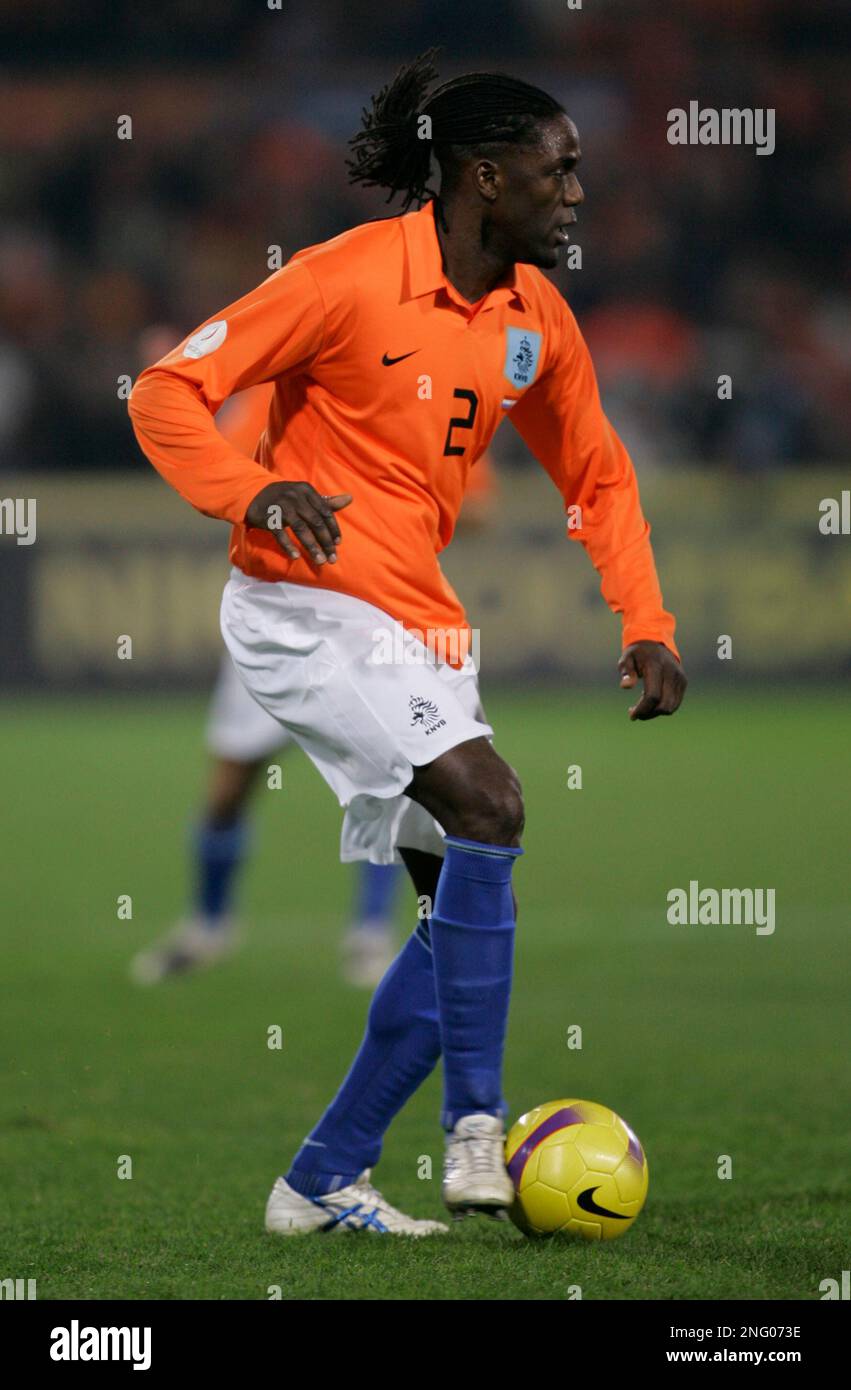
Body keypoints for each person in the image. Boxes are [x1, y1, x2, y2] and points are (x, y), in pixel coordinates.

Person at [129, 53, 687, 1238]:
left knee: (455, 919)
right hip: (302, 608)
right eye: (560, 170)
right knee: (489, 805)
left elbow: (595, 471)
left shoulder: (534, 318)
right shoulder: (342, 278)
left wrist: (643, 620)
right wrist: (250, 487)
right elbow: (165, 392)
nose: (579, 192)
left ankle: (320, 1179)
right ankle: (476, 1127)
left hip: (417, 625)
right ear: (487, 177)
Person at [129, 369, 403, 989]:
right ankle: (208, 925)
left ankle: (370, 934)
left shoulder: (397, 394)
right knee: (229, 786)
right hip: (275, 614)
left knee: (385, 783)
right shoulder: (264, 400)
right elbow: (212, 477)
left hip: (365, 618)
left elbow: (477, 506)